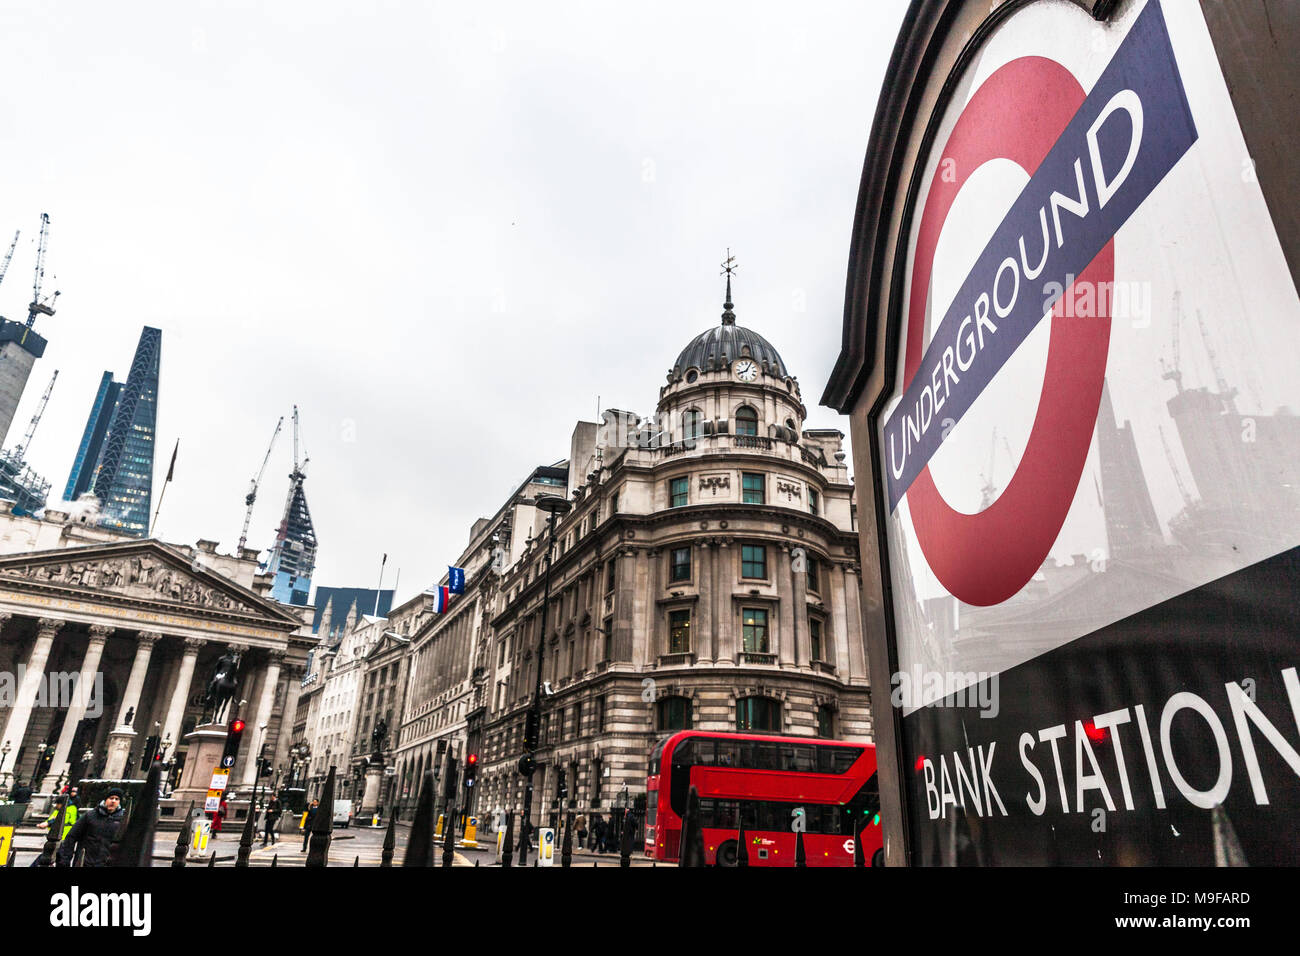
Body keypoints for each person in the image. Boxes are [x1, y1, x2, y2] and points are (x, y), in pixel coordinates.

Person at [56, 788, 126, 868]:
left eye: (116, 799)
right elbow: (71, 837)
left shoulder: (122, 820)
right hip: (84, 862)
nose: (113, 801)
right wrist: (65, 860)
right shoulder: (90, 815)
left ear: (119, 802)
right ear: (105, 800)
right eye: (111, 798)